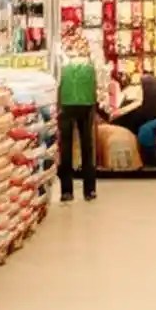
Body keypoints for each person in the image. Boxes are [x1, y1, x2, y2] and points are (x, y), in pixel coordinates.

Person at [56, 27, 99, 201]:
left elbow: (57, 81)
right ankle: (89, 190)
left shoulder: (60, 55)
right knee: (87, 146)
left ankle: (67, 191)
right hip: (87, 103)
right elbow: (98, 78)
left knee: (66, 148)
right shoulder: (91, 54)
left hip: (66, 104)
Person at [110, 72, 156, 167]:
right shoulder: (144, 93)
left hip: (152, 120)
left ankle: (154, 160)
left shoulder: (143, 93)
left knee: (145, 131)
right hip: (146, 119)